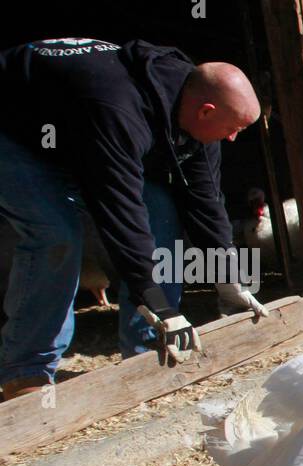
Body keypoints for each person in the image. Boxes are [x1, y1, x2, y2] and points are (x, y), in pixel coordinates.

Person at [0, 37, 268, 401]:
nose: (235, 138)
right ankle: (26, 371)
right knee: (55, 232)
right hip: (14, 133)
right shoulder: (115, 109)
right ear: (205, 110)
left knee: (163, 208)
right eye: (233, 128)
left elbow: (203, 199)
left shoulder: (196, 106)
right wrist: (156, 300)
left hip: (72, 133)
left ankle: (148, 348)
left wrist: (227, 276)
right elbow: (119, 208)